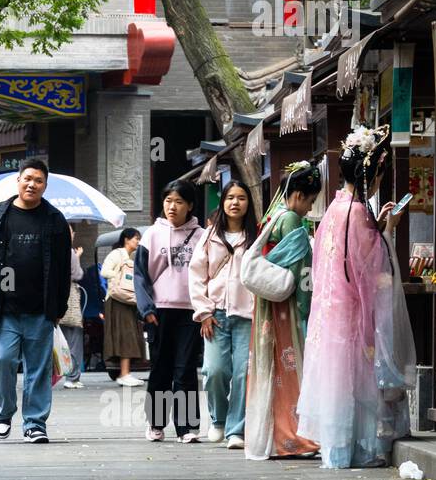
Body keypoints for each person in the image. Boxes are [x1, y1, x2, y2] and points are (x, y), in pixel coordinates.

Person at [298, 126, 416, 468]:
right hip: (352, 315)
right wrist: (388, 230)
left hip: (329, 314)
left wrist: (377, 227)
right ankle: (358, 451)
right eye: (379, 173)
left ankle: (337, 451)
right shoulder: (358, 213)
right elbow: (372, 271)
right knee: (355, 381)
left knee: (337, 383)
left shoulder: (335, 210)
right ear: (370, 175)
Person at [0, 159, 72, 444]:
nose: (32, 184)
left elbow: (62, 268)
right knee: (2, 360)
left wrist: (59, 306)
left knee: (38, 369)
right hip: (4, 308)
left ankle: (35, 423)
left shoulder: (55, 220)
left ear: (45, 186)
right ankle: (3, 411)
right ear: (18, 181)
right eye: (27, 179)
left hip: (41, 308)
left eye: (38, 180)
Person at [245, 161, 322, 461]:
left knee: (272, 370)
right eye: (311, 201)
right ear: (299, 195)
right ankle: (295, 437)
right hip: (286, 308)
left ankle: (277, 436)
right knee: (290, 367)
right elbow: (300, 270)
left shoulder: (271, 215)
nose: (309, 208)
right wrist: (307, 308)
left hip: (267, 305)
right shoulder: (290, 219)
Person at [189, 179, 257, 449]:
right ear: (223, 201)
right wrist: (204, 312)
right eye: (230, 197)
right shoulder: (209, 236)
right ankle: (218, 419)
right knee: (215, 370)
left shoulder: (256, 235)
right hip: (215, 314)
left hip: (248, 315)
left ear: (248, 203)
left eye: (241, 197)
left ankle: (236, 429)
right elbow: (196, 276)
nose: (235, 203)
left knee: (243, 372)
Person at [135, 180, 204, 442]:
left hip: (191, 311)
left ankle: (186, 428)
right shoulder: (151, 234)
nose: (172, 207)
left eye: (178, 202)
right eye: (168, 201)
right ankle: (156, 424)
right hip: (159, 311)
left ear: (189, 206)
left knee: (185, 368)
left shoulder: (201, 236)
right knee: (161, 368)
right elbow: (140, 275)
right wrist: (146, 309)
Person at [100, 229, 144, 386]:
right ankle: (124, 374)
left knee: (129, 335)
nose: (138, 242)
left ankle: (126, 373)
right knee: (126, 336)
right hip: (118, 301)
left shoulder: (131, 256)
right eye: (136, 238)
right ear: (126, 239)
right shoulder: (116, 254)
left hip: (128, 300)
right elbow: (105, 271)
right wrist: (119, 277)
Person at [59, 228, 86, 389]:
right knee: (74, 339)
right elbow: (77, 275)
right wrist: (77, 258)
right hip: (70, 298)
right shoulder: (69, 252)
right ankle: (72, 377)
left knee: (54, 340)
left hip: (52, 299)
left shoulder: (50, 250)